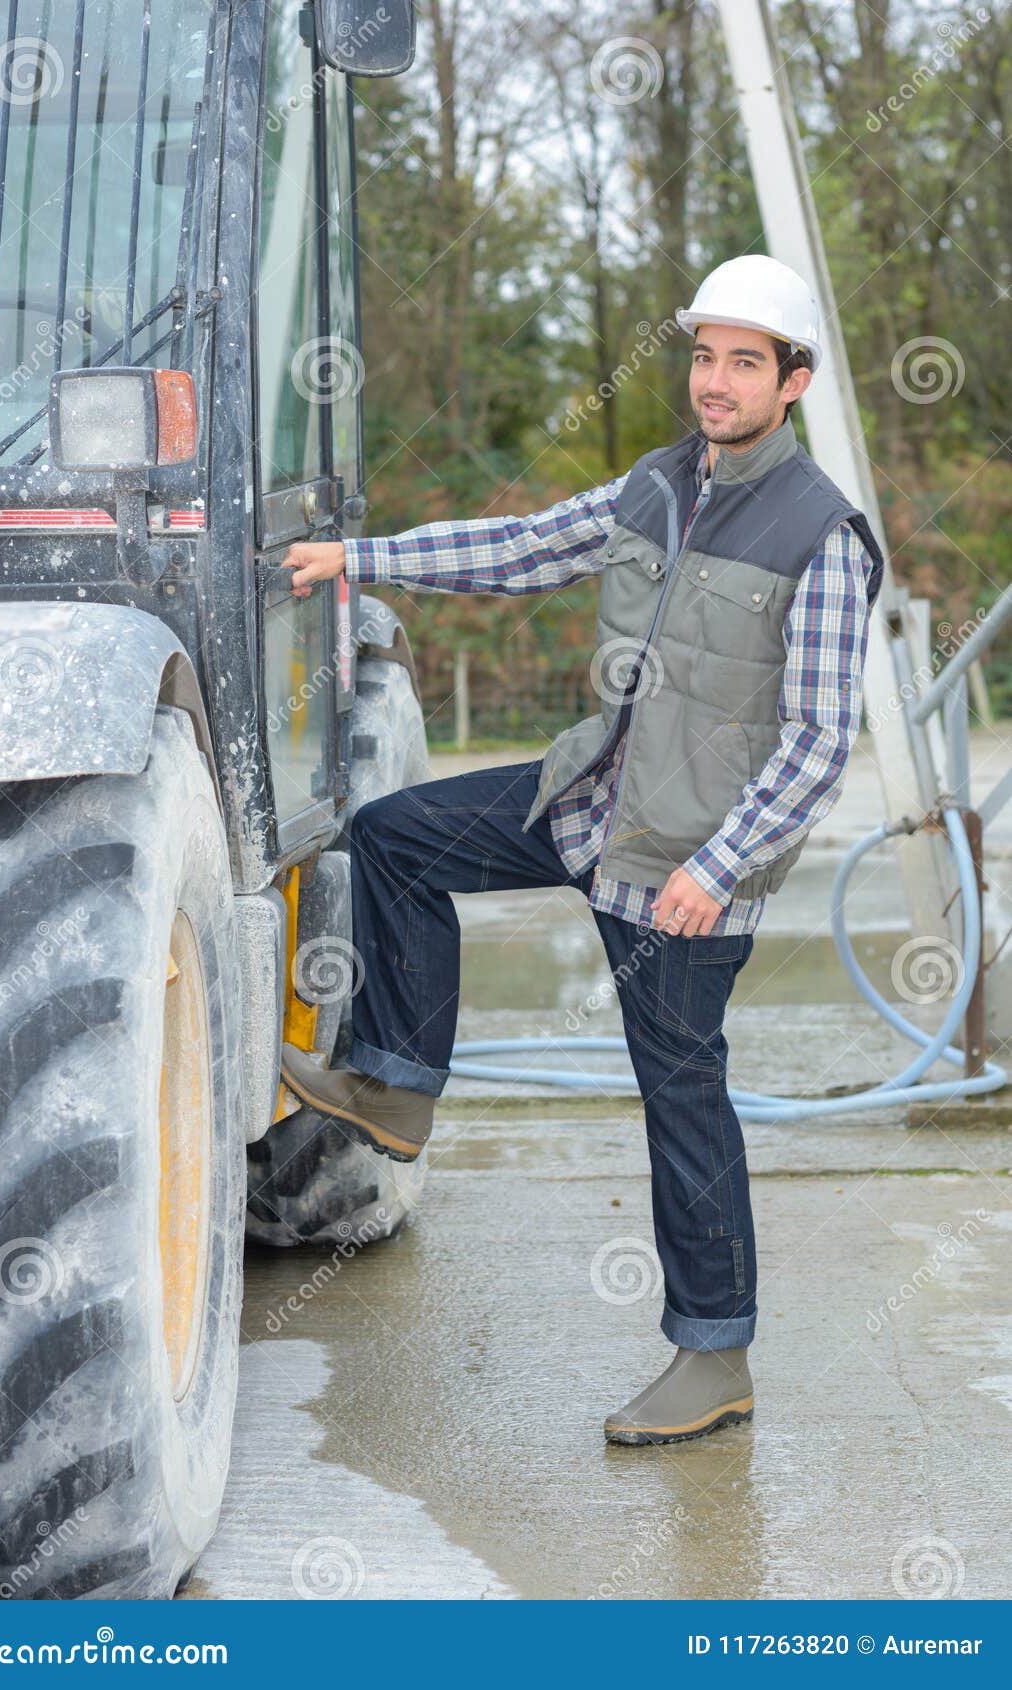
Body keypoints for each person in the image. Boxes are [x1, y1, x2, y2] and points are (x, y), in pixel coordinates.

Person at [277, 253, 885, 1446]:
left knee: (682, 1100)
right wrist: (363, 557)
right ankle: (400, 1085)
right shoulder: (654, 485)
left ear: (794, 381)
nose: (713, 380)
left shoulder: (825, 536)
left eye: (743, 363)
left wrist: (721, 868)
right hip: (587, 806)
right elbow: (516, 550)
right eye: (703, 355)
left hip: (684, 872)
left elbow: (819, 741)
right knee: (396, 836)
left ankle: (714, 1359)